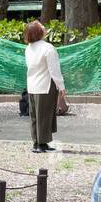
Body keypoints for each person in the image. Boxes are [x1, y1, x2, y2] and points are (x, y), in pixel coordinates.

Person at [24, 20, 64, 153]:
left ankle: (37, 143)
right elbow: (54, 70)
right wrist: (61, 85)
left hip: (32, 85)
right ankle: (41, 144)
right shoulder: (48, 48)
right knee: (45, 116)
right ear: (40, 32)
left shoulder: (28, 48)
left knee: (35, 116)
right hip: (45, 85)